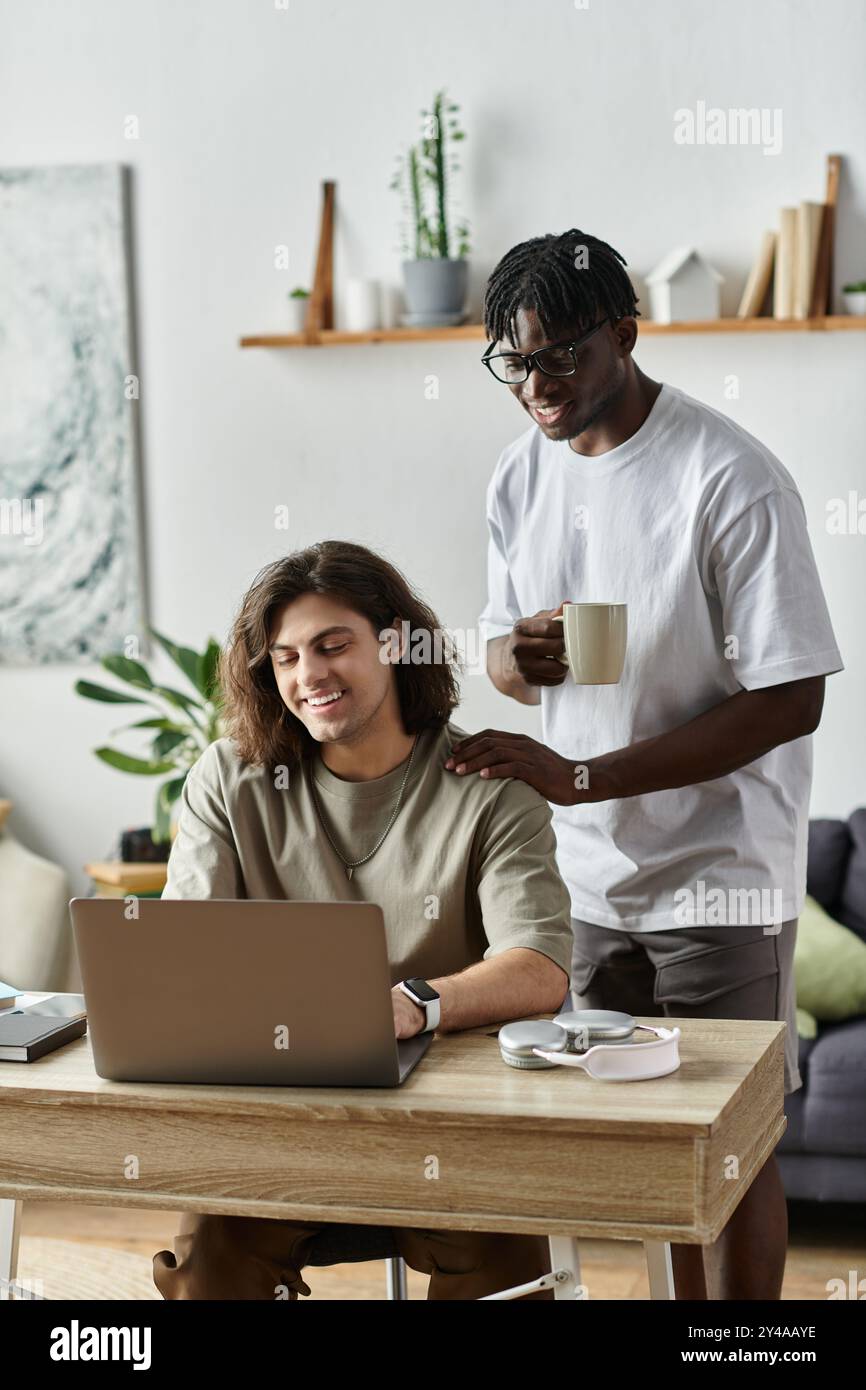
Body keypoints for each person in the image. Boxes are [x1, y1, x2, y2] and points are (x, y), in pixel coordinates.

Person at [447, 229, 844, 1300]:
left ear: (625, 332)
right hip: (577, 882)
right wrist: (509, 658)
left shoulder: (728, 479)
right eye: (514, 362)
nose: (536, 386)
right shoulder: (517, 473)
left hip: (714, 879)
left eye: (560, 357)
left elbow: (790, 693)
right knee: (633, 1145)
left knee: (728, 1144)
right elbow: (502, 657)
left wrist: (582, 777)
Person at [152, 539, 573, 1301]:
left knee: (513, 1284)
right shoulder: (230, 778)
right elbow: (184, 952)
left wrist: (413, 1005)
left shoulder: (490, 786)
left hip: (457, 1133)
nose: (309, 675)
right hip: (276, 1129)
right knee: (208, 1272)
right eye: (284, 658)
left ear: (396, 645)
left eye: (332, 645)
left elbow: (538, 965)